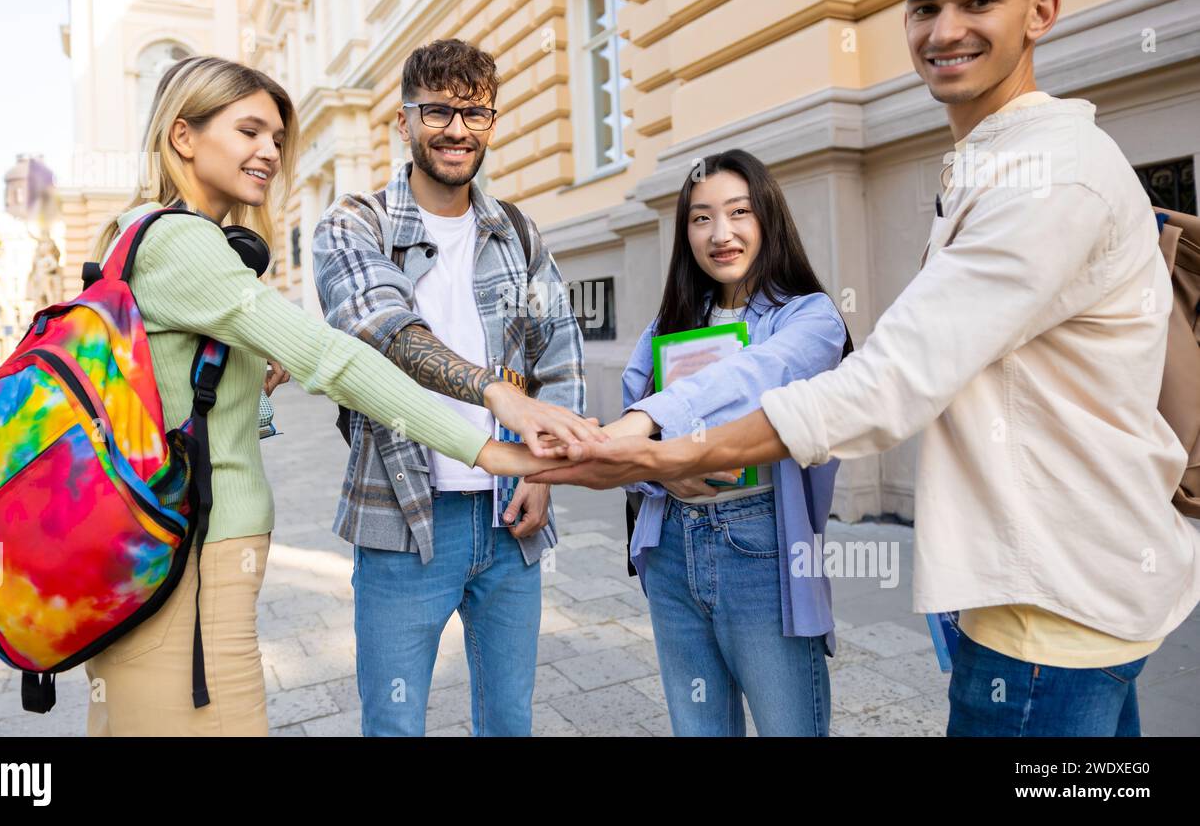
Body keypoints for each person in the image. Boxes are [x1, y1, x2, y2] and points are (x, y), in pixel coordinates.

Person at [530, 0, 1200, 737]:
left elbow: (884, 384)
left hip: (1048, 610)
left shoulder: (1045, 182)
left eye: (978, 1)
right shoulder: (992, 164)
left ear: (1041, 12)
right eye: (924, 7)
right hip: (1040, 592)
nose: (943, 29)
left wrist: (660, 449)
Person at [83, 55, 550, 736]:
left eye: (276, 138)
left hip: (168, 545)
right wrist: (488, 442)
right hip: (191, 553)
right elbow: (336, 357)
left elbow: (178, 394)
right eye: (248, 132)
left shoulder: (146, 233)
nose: (269, 153)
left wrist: (250, 375)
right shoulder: (183, 239)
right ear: (183, 136)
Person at [312, 38, 599, 736]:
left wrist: (547, 470)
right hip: (403, 514)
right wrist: (494, 394)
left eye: (475, 114)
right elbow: (384, 325)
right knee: (396, 723)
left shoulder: (517, 233)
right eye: (437, 111)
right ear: (403, 123)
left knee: (508, 719)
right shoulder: (356, 225)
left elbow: (558, 351)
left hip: (509, 522)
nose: (457, 130)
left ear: (492, 124)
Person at [614, 148, 848, 736]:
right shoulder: (667, 327)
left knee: (788, 726)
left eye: (739, 211)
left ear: (767, 217)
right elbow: (629, 449)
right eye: (701, 217)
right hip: (670, 546)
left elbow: (756, 377)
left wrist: (653, 424)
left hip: (762, 547)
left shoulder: (811, 318)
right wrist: (662, 471)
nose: (721, 233)